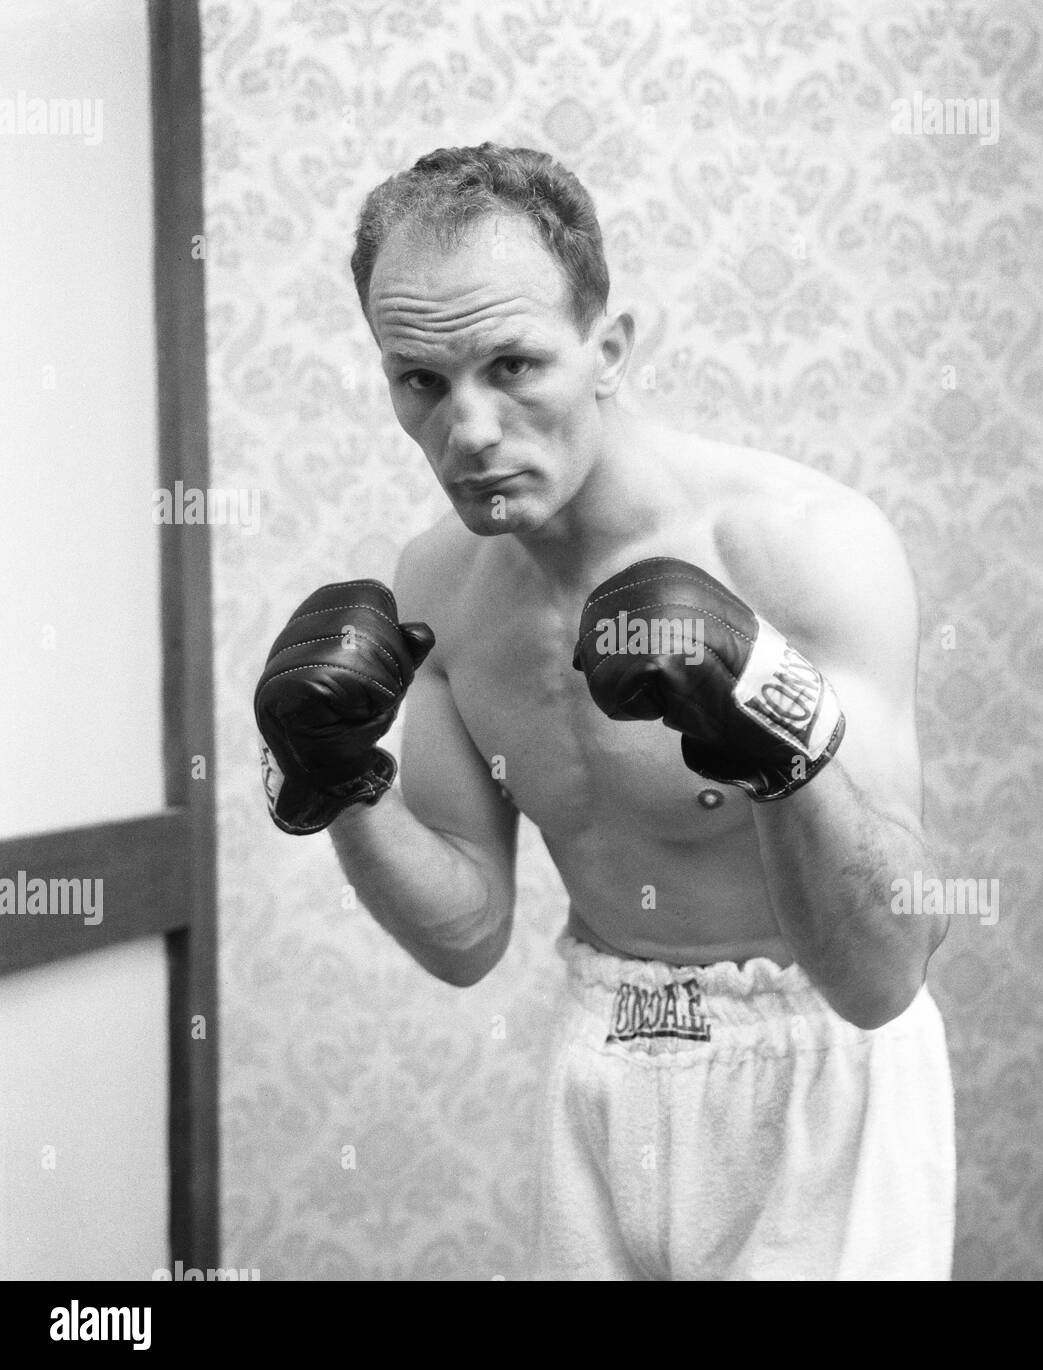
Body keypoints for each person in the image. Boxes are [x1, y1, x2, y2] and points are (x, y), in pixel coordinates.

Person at [254, 143, 954, 1281]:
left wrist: (780, 742)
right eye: (420, 380)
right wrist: (338, 784)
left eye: (514, 364)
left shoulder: (802, 547)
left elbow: (883, 977)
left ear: (609, 347)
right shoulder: (436, 588)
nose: (468, 429)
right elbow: (468, 932)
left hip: (817, 1069)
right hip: (601, 1055)